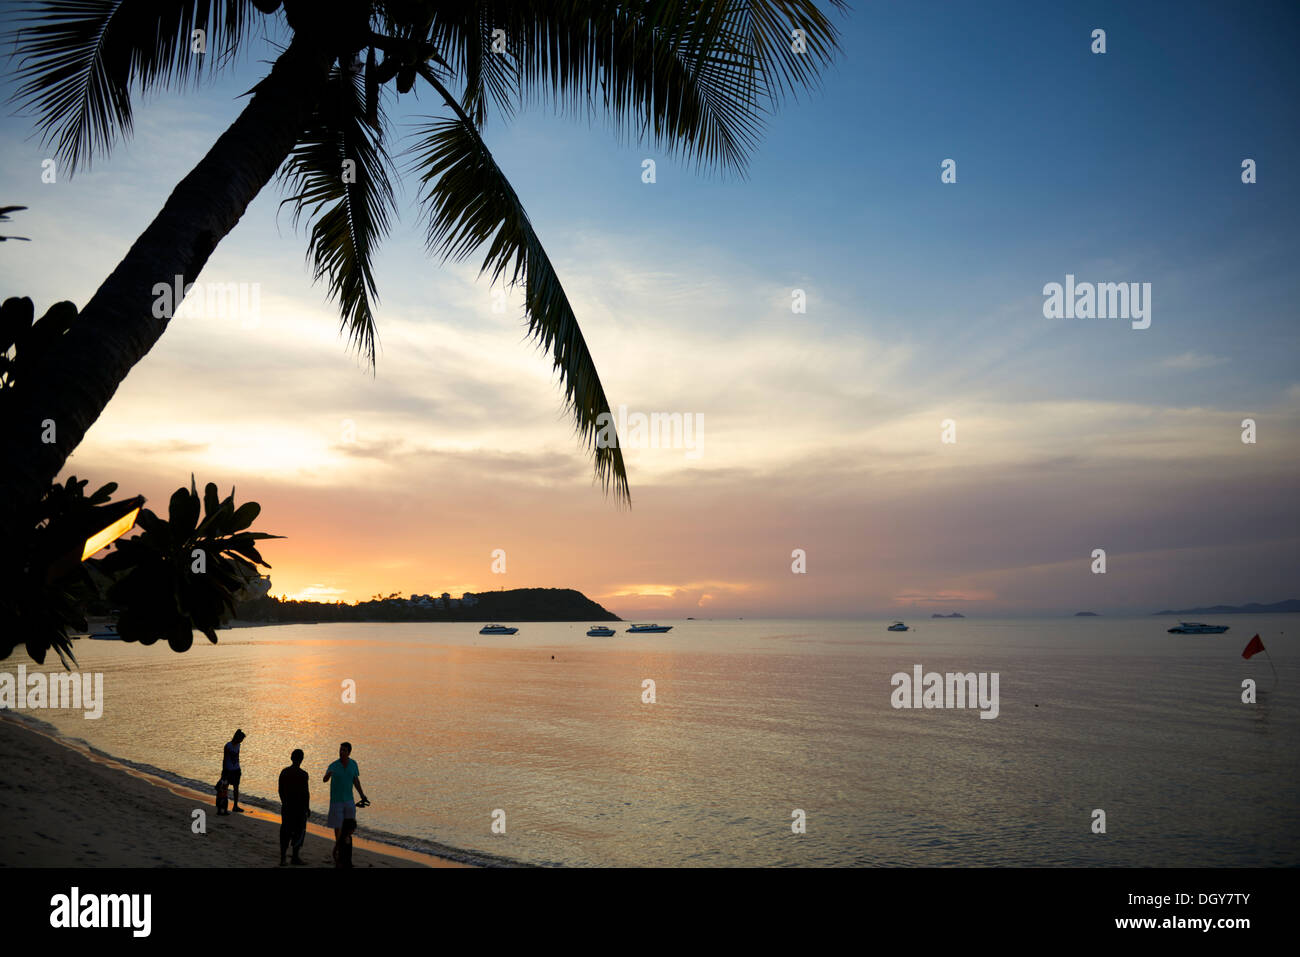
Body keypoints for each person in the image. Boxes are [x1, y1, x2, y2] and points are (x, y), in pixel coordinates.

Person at [322, 741, 369, 845]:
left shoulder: (353, 764)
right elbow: (324, 780)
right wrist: (328, 775)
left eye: (344, 750)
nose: (341, 752)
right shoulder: (333, 765)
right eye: (340, 750)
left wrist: (362, 794)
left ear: (349, 752)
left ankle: (345, 843)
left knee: (350, 826)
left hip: (349, 800)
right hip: (336, 801)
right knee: (337, 826)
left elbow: (355, 780)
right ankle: (338, 845)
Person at [277, 749, 310, 866]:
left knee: (285, 832)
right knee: (299, 832)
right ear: (302, 760)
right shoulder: (303, 775)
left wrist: (284, 801)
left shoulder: (284, 772)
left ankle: (283, 858)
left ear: (291, 758)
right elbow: (306, 793)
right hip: (299, 809)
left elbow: (280, 790)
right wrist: (307, 808)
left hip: (287, 807)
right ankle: (295, 857)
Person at [222, 730, 246, 813]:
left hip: (236, 770)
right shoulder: (228, 746)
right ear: (237, 737)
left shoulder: (239, 745)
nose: (241, 741)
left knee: (236, 789)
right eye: (241, 739)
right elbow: (224, 759)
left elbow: (237, 757)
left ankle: (235, 806)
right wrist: (224, 771)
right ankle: (224, 806)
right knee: (225, 788)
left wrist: (238, 768)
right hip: (228, 770)